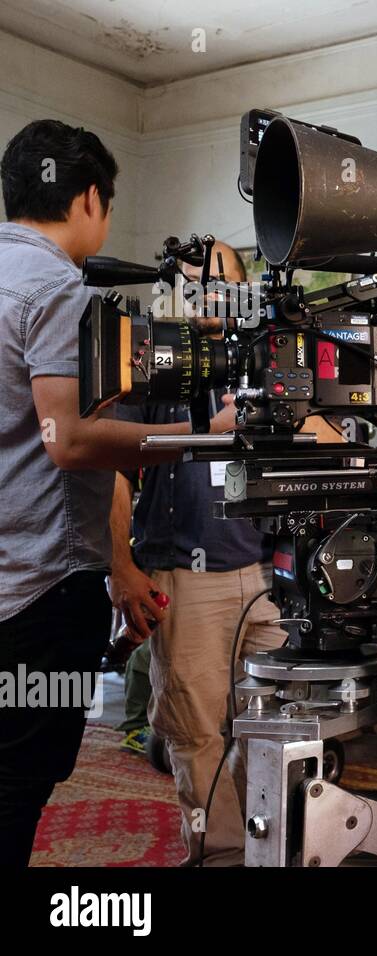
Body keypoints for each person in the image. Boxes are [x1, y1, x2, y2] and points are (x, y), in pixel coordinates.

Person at [0, 120, 235, 866]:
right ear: (91, 199)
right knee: (22, 776)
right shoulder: (59, 288)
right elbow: (67, 440)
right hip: (39, 588)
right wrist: (209, 437)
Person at [109, 240, 347, 864]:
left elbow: (333, 439)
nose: (204, 290)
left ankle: (267, 846)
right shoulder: (153, 362)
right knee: (194, 734)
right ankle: (216, 853)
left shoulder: (268, 360)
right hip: (184, 580)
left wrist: (287, 414)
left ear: (243, 289)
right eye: (189, 281)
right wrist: (121, 565)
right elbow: (112, 470)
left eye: (218, 279)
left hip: (271, 578)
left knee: (277, 725)